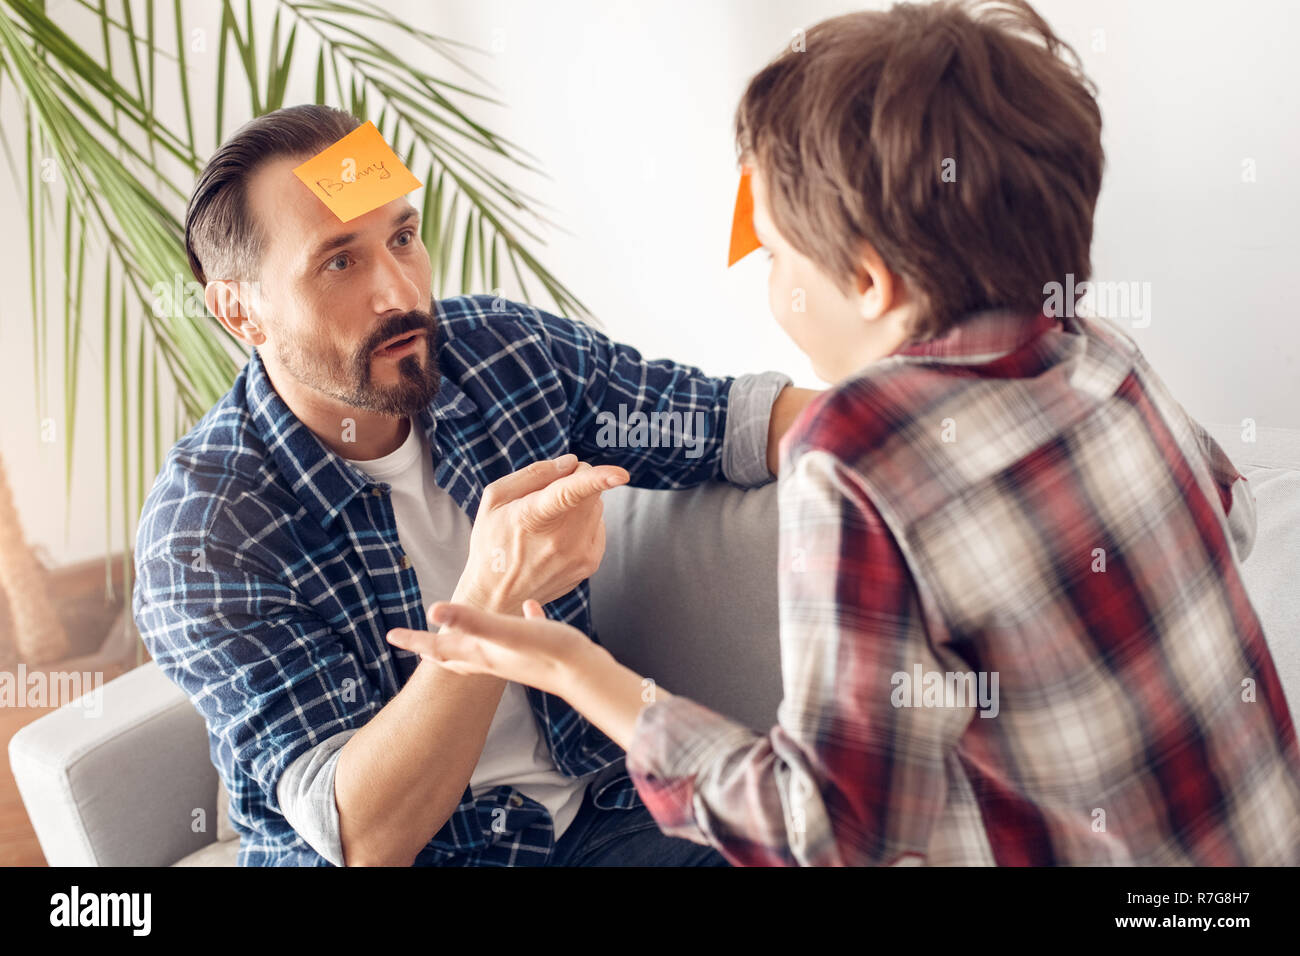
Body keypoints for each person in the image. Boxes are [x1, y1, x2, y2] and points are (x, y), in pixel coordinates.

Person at [388, 0, 1300, 865]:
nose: (770, 278)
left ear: (869, 283)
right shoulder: (1102, 353)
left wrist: (585, 675)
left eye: (776, 255)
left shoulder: (857, 452)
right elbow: (1233, 514)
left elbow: (827, 836)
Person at [132, 103, 820, 866]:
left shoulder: (499, 352)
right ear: (240, 310)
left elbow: (726, 423)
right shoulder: (204, 532)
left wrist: (924, 416)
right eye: (339, 261)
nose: (399, 292)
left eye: (401, 237)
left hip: (605, 815)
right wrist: (493, 588)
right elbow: (362, 834)